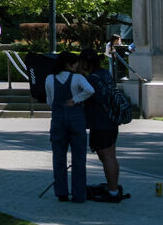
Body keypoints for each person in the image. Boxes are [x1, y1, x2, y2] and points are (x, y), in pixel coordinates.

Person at [47, 49, 94, 204]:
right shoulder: (78, 78)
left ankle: (61, 192)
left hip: (58, 120)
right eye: (75, 64)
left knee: (58, 157)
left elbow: (49, 101)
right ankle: (79, 194)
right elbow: (90, 90)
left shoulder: (50, 78)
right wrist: (76, 99)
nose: (76, 67)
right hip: (76, 119)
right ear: (69, 64)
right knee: (79, 158)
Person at [85, 50, 131, 202]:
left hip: (101, 122)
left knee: (106, 157)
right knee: (111, 156)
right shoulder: (104, 74)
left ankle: (112, 191)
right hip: (112, 120)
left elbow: (95, 97)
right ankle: (114, 187)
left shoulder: (92, 79)